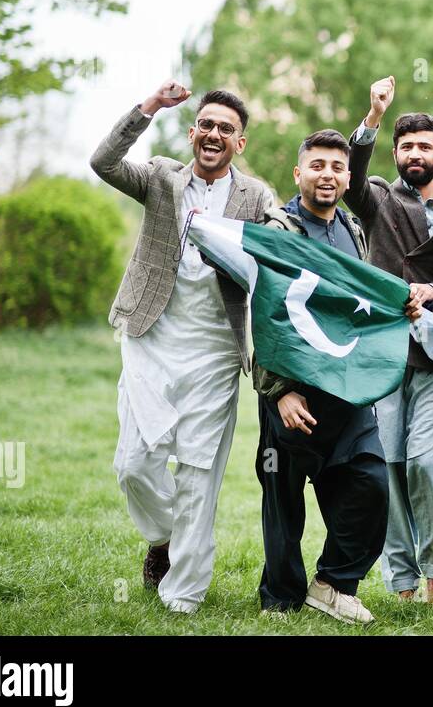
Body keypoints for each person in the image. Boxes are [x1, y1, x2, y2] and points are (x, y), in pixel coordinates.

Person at [90, 81, 273, 614]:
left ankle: (183, 595)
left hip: (217, 345)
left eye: (227, 129)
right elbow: (104, 162)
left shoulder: (255, 196)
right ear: (194, 132)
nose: (215, 134)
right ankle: (165, 540)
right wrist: (148, 106)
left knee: (198, 470)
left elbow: (284, 241)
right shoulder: (162, 178)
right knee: (133, 464)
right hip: (150, 335)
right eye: (207, 124)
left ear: (240, 142)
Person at [253, 129, 390, 624]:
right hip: (291, 390)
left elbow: (361, 302)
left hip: (346, 391)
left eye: (337, 166)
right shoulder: (278, 229)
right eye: (317, 165)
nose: (327, 174)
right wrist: (280, 392)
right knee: (284, 501)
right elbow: (265, 312)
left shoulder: (352, 229)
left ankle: (334, 584)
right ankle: (281, 597)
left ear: (348, 176)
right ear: (298, 173)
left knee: (372, 483)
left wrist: (404, 305)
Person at [345, 77, 433, 607]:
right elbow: (350, 173)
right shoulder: (376, 200)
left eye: (425, 146)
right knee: (390, 464)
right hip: (384, 352)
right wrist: (373, 115)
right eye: (406, 146)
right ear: (396, 153)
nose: (416, 154)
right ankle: (402, 579)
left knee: (426, 462)